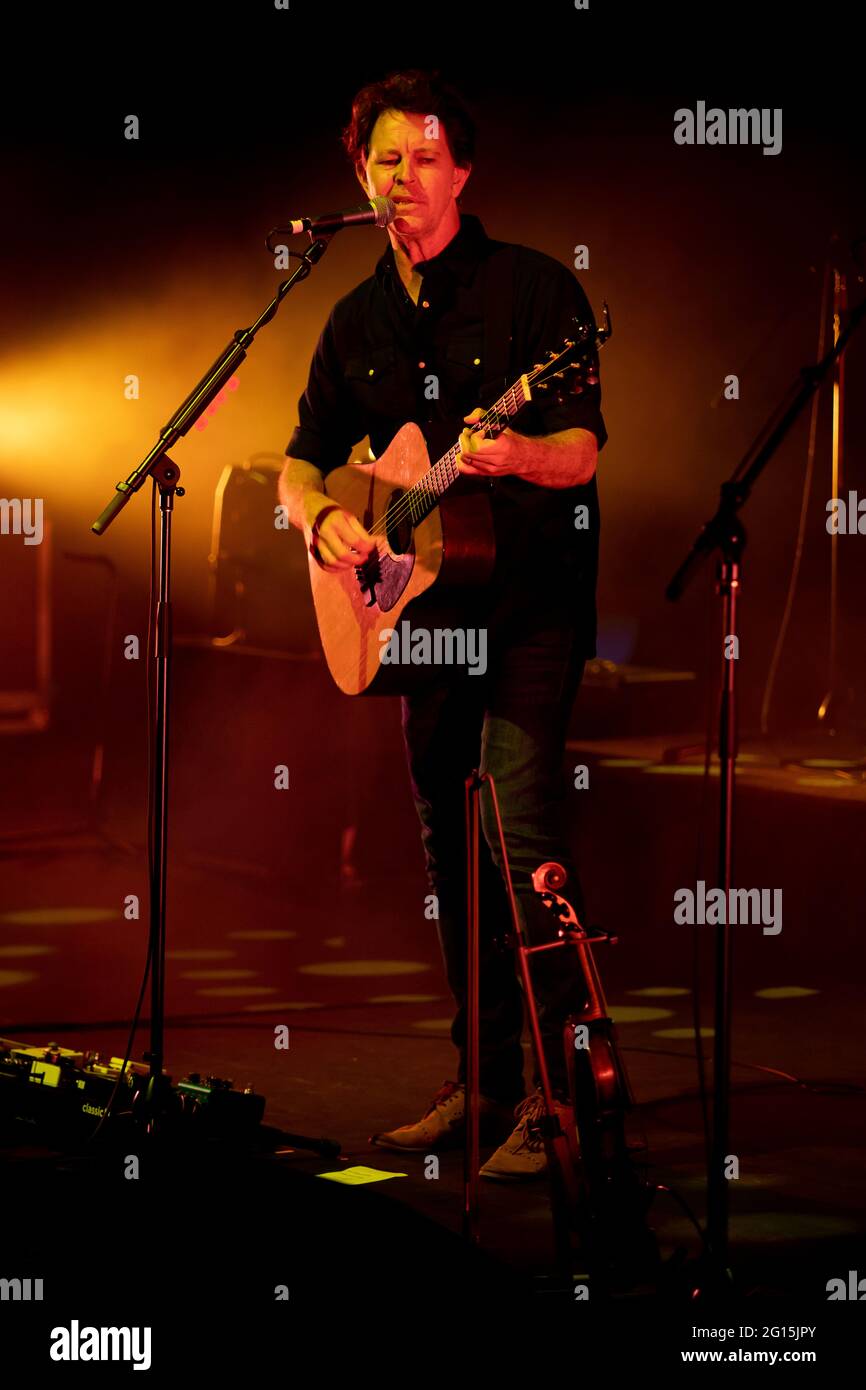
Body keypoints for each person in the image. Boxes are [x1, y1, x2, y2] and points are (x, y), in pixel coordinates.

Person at [278, 68, 607, 1181]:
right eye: (384, 159)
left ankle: (566, 1104)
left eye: (424, 157)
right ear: (356, 175)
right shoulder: (351, 315)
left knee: (517, 842)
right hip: (417, 620)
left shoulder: (534, 294)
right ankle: (486, 1083)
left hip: (527, 610)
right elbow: (297, 458)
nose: (404, 177)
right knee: (447, 855)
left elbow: (582, 450)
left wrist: (512, 452)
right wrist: (324, 514)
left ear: (461, 171)